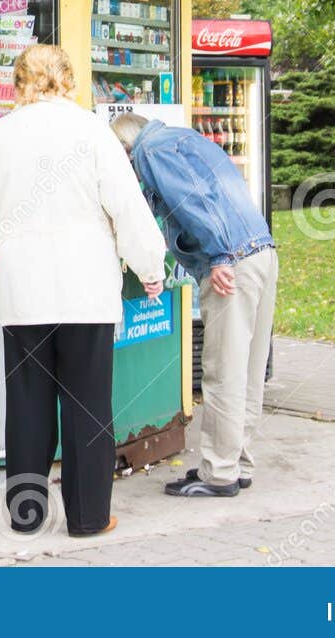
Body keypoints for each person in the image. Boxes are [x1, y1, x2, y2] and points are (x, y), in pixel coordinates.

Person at [0, 45, 167, 536]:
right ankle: (89, 517)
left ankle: (25, 517)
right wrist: (149, 266)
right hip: (85, 292)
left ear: (20, 82)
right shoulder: (92, 132)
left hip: (22, 294)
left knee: (27, 405)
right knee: (87, 405)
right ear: (68, 79)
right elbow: (127, 209)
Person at [109, 112, 277, 498]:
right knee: (249, 371)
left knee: (222, 372)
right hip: (261, 252)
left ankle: (219, 473)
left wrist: (219, 254)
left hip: (231, 262)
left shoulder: (150, 151)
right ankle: (237, 463)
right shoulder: (184, 139)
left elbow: (192, 199)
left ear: (124, 147)